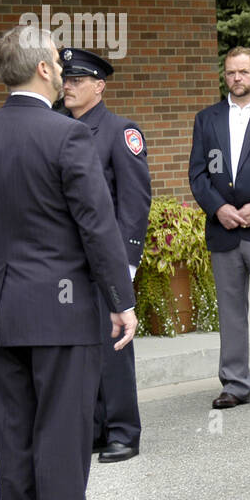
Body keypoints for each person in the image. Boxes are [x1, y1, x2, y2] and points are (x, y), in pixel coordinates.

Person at [0, 24, 136, 500]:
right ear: (41, 69)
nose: (63, 69)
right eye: (58, 61)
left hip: (3, 309)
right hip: (61, 312)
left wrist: (6, 284)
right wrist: (120, 300)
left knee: (16, 442)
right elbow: (96, 225)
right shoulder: (67, 136)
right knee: (61, 438)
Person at [61, 47, 152, 463]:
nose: (67, 86)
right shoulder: (59, 128)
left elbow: (135, 202)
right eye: (65, 79)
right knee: (81, 345)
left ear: (99, 86)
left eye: (77, 81)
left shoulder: (120, 131)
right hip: (68, 261)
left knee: (113, 346)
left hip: (107, 259)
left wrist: (127, 262)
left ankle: (122, 430)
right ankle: (95, 427)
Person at [189, 47, 250, 409]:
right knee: (230, 312)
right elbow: (198, 174)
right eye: (231, 73)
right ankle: (234, 383)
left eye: (243, 72)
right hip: (225, 230)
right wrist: (219, 209)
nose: (236, 79)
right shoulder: (208, 118)